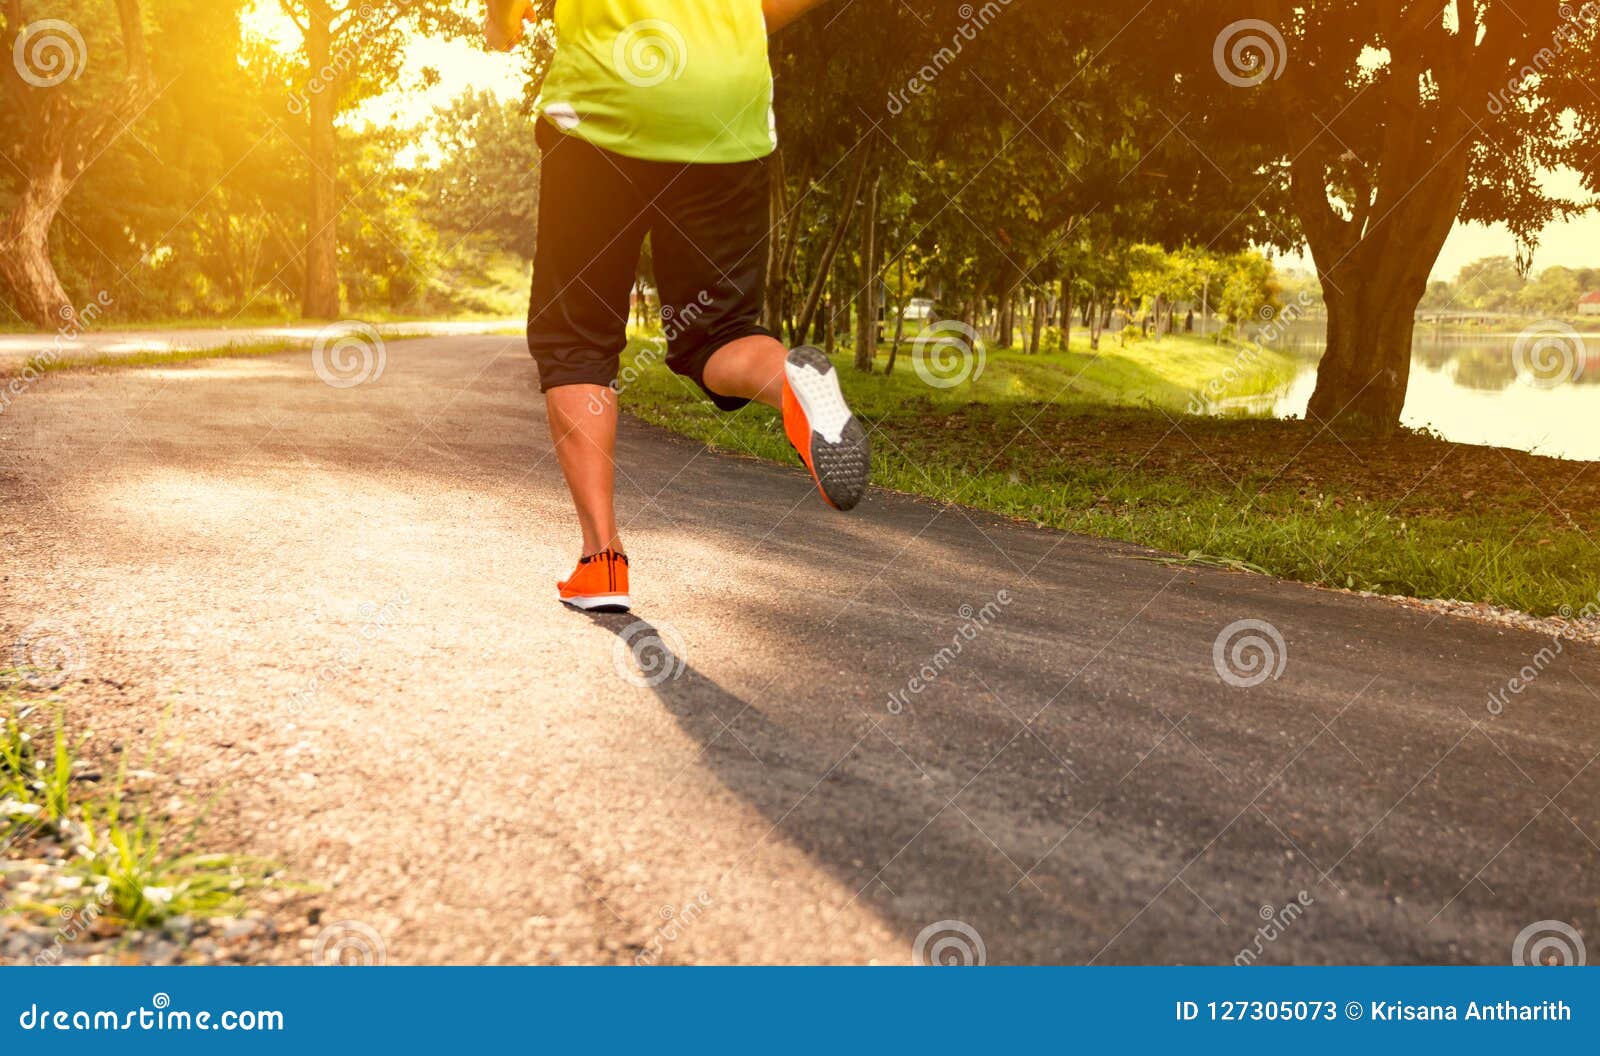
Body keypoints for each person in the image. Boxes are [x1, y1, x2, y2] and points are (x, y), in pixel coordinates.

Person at [486, 0, 868, 614]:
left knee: (576, 343)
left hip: (603, 107)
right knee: (718, 332)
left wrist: (502, 24)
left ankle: (601, 560)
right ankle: (790, 384)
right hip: (724, 110)